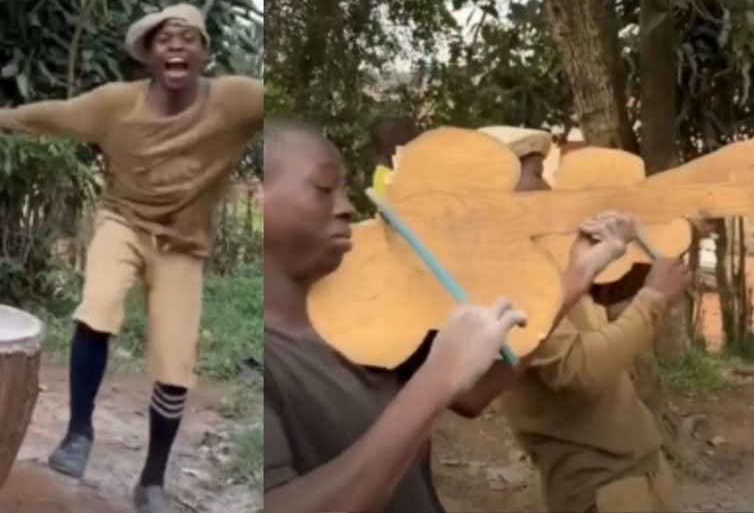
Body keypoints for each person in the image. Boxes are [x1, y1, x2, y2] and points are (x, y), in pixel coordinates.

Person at [261, 120, 652, 512]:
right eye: (324, 189)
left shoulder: (371, 309)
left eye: (344, 190)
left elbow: (472, 394)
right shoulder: (259, 357)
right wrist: (438, 377)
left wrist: (576, 276)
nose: (346, 207)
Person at [0, 4, 263, 513]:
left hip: (182, 245)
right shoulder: (117, 104)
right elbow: (59, 114)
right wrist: (1, 118)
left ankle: (151, 481)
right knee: (98, 306)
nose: (175, 45)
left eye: (187, 38)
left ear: (203, 52)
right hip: (122, 221)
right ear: (150, 55)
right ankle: (78, 432)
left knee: (174, 362)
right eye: (165, 39)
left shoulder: (234, 100)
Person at [478, 126, 691, 513]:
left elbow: (601, 296)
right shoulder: (502, 280)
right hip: (600, 486)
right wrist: (654, 299)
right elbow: (580, 368)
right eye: (536, 174)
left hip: (635, 473)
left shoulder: (539, 258)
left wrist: (642, 245)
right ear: (497, 188)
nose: (546, 188)